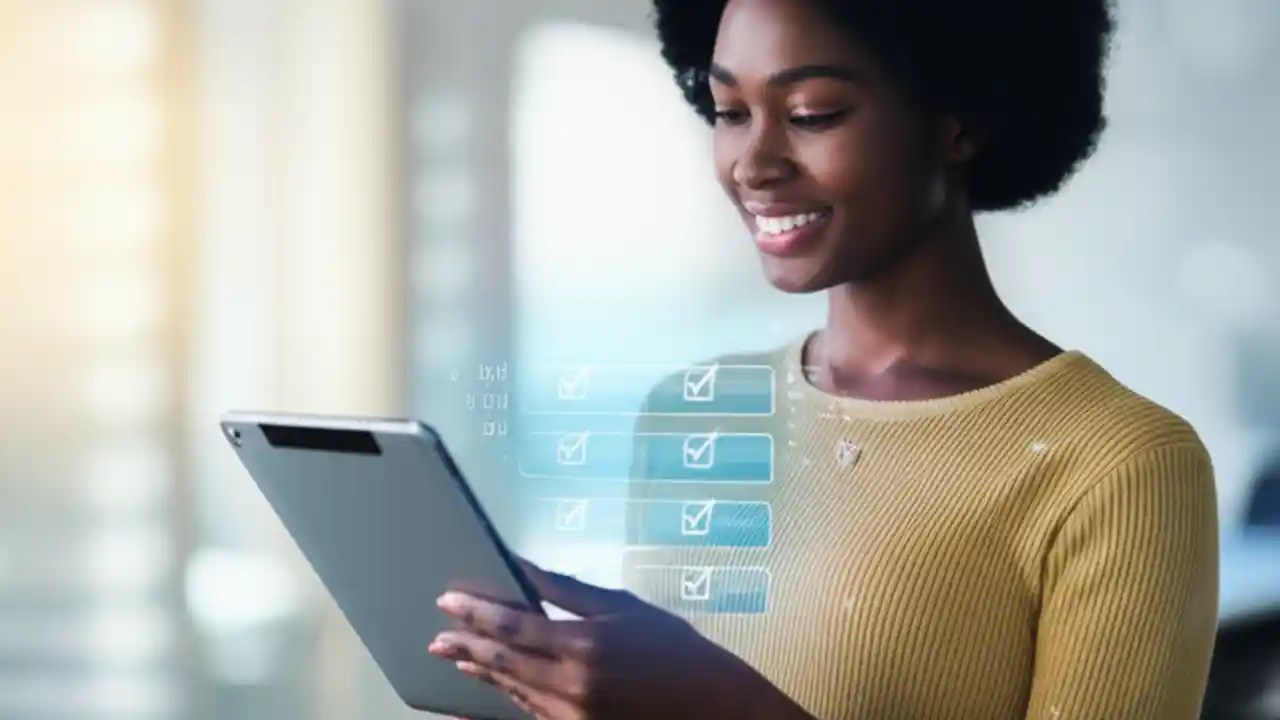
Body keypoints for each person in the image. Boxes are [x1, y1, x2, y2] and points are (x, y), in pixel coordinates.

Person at [427, 0, 1220, 718]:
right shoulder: (693, 409)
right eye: (730, 110)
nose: (752, 163)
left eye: (812, 113)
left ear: (960, 120)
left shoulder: (1120, 466)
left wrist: (719, 704)